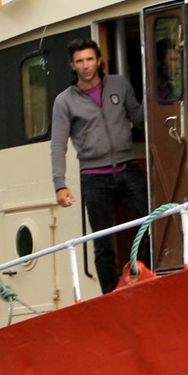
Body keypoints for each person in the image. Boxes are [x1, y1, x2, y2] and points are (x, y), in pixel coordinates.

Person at [51, 38, 147, 293]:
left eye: (90, 59)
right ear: (72, 66)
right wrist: (60, 185)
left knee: (148, 223)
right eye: (80, 61)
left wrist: (164, 98)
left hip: (128, 169)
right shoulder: (65, 101)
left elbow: (138, 117)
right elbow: (58, 145)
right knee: (102, 243)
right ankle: (110, 295)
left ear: (99, 60)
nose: (86, 65)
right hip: (95, 178)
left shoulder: (119, 84)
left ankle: (144, 277)